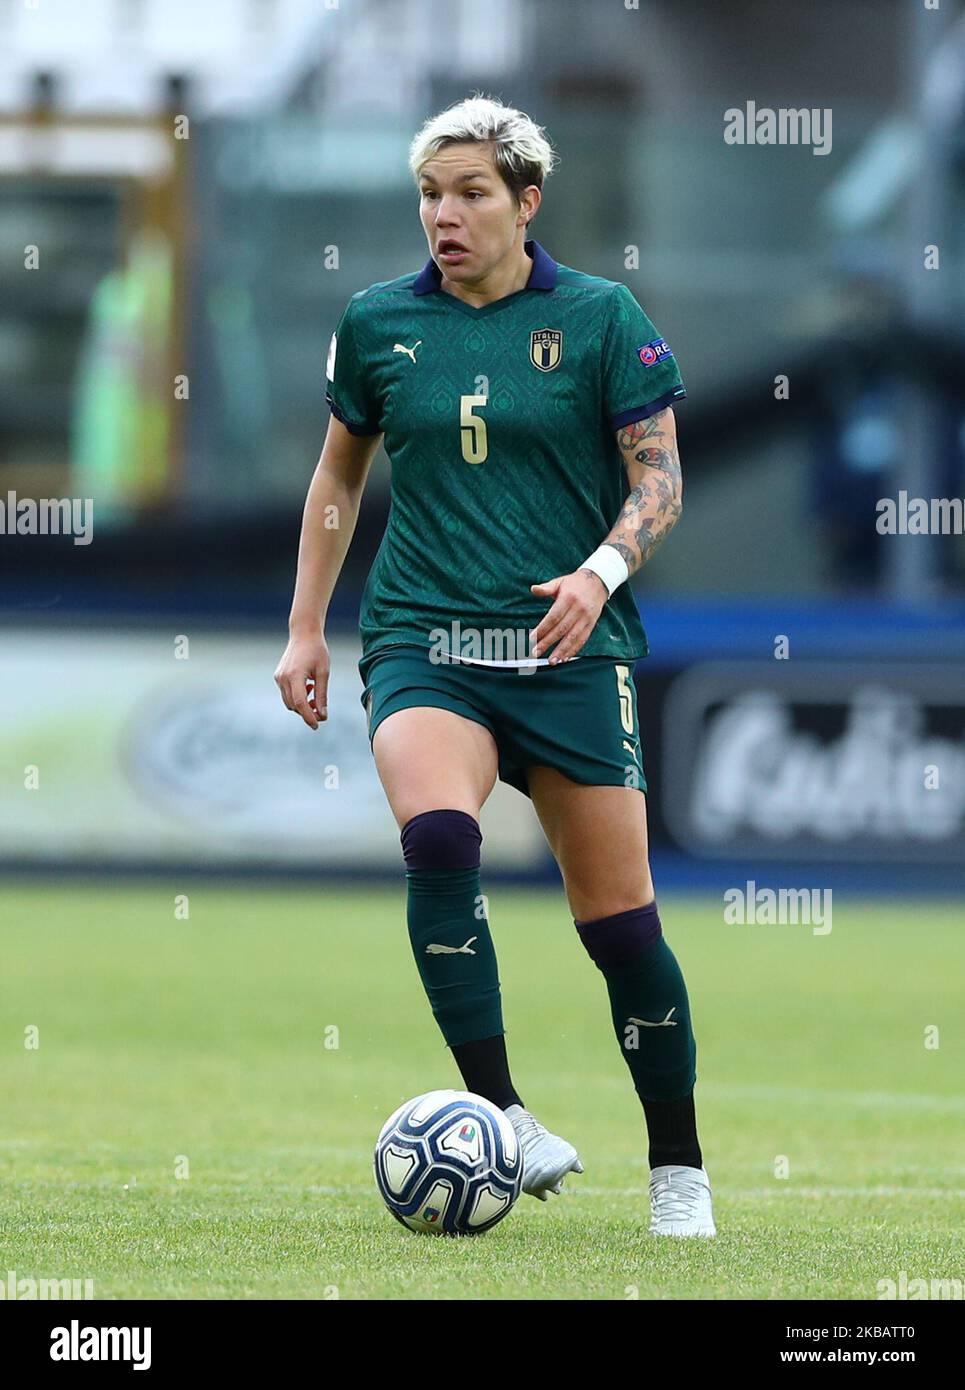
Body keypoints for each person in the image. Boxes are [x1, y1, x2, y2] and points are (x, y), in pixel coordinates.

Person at [274, 95, 715, 1236]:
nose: (445, 216)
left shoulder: (600, 316)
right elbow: (336, 479)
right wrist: (307, 627)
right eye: (430, 195)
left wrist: (597, 575)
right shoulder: (377, 325)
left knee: (620, 932)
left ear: (526, 202)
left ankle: (678, 1172)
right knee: (437, 840)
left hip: (571, 649)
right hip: (427, 639)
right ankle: (502, 1114)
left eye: (470, 194)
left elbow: (658, 481)